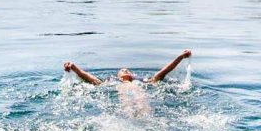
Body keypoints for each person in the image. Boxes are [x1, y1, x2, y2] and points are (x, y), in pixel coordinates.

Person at [63, 50, 192, 86]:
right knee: (128, 108)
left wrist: (180, 57)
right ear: (117, 75)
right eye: (122, 70)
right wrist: (74, 67)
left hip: (139, 93)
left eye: (127, 70)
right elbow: (89, 79)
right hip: (124, 95)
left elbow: (164, 71)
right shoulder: (112, 82)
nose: (124, 70)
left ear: (132, 75)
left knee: (143, 108)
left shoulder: (143, 81)